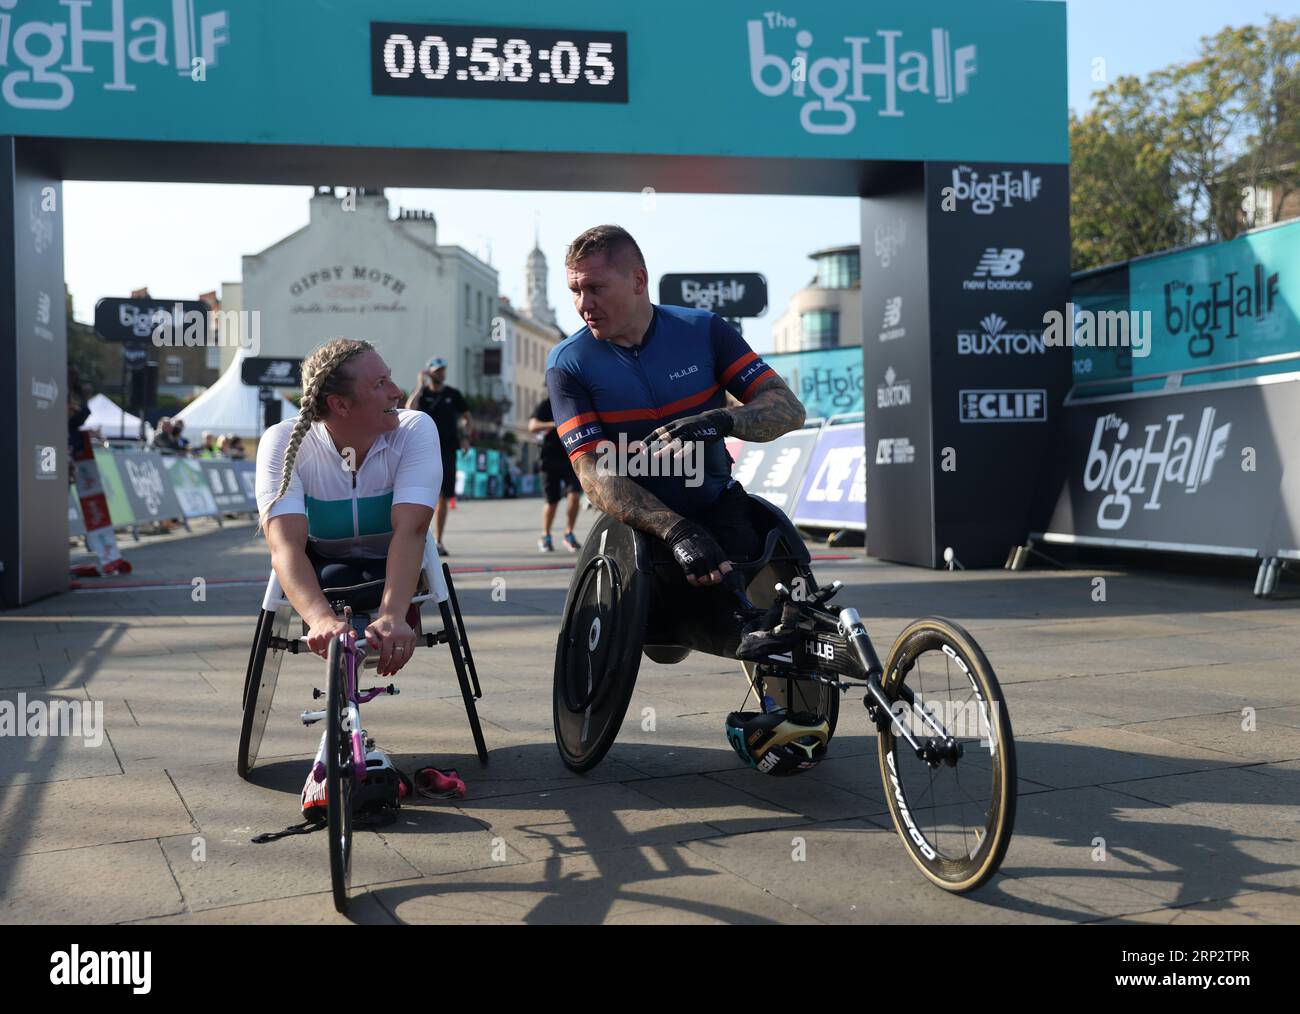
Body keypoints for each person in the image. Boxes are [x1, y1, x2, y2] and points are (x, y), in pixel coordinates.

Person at [546, 225, 806, 657]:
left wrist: (718, 421)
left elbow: (788, 409)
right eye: (575, 291)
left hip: (716, 502)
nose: (582, 305)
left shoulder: (703, 330)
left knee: (761, 585)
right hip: (639, 522)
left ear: (638, 281)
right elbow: (590, 469)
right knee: (663, 639)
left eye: (594, 289)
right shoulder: (568, 363)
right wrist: (676, 530)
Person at [256, 338, 440, 677]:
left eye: (390, 378)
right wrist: (319, 620)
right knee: (330, 585)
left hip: (392, 566)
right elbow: (285, 546)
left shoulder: (415, 429)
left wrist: (393, 615)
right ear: (340, 404)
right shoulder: (281, 442)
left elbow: (412, 531)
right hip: (326, 570)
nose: (396, 392)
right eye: (380, 384)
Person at [406, 356, 470, 556]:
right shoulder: (422, 395)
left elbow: (466, 417)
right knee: (422, 495)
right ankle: (421, 539)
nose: (442, 373)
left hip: (448, 450)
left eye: (444, 370)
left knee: (443, 496)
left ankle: (439, 541)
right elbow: (409, 410)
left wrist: (466, 436)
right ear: (429, 372)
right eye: (438, 370)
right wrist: (419, 386)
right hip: (424, 450)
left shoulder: (453, 394)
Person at [529, 395, 582, 552]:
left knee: (574, 495)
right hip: (549, 457)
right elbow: (532, 426)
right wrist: (555, 424)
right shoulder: (547, 404)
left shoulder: (574, 402)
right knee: (552, 501)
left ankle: (569, 534)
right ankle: (545, 536)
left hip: (570, 456)